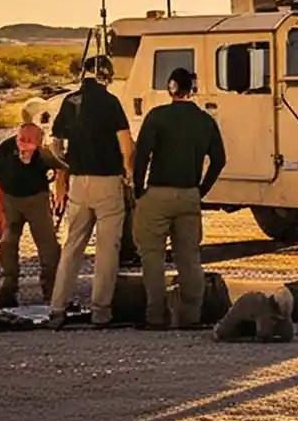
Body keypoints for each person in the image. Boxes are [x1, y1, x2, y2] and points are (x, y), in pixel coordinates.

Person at [132, 67, 226, 330]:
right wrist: (201, 190)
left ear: (171, 87)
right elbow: (219, 160)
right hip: (189, 195)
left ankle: (157, 315)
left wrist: (138, 189)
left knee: (152, 256)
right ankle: (191, 315)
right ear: (193, 89)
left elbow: (142, 157)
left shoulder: (157, 117)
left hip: (158, 193)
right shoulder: (205, 120)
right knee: (189, 257)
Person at [47, 55, 135, 329]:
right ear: (106, 76)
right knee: (108, 249)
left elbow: (55, 145)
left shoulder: (70, 101)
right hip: (107, 181)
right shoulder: (110, 102)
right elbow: (126, 144)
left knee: (73, 245)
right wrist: (128, 172)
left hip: (78, 182)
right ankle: (100, 310)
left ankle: (58, 308)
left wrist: (68, 165)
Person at [0, 122, 67, 308]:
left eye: (30, 141)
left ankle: (52, 292)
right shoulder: (5, 149)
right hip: (10, 201)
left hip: (37, 201)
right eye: (21, 139)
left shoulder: (44, 155)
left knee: (49, 247)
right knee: (7, 245)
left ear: (39, 141)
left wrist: (60, 191)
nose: (24, 145)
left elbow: (62, 169)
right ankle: (8, 290)